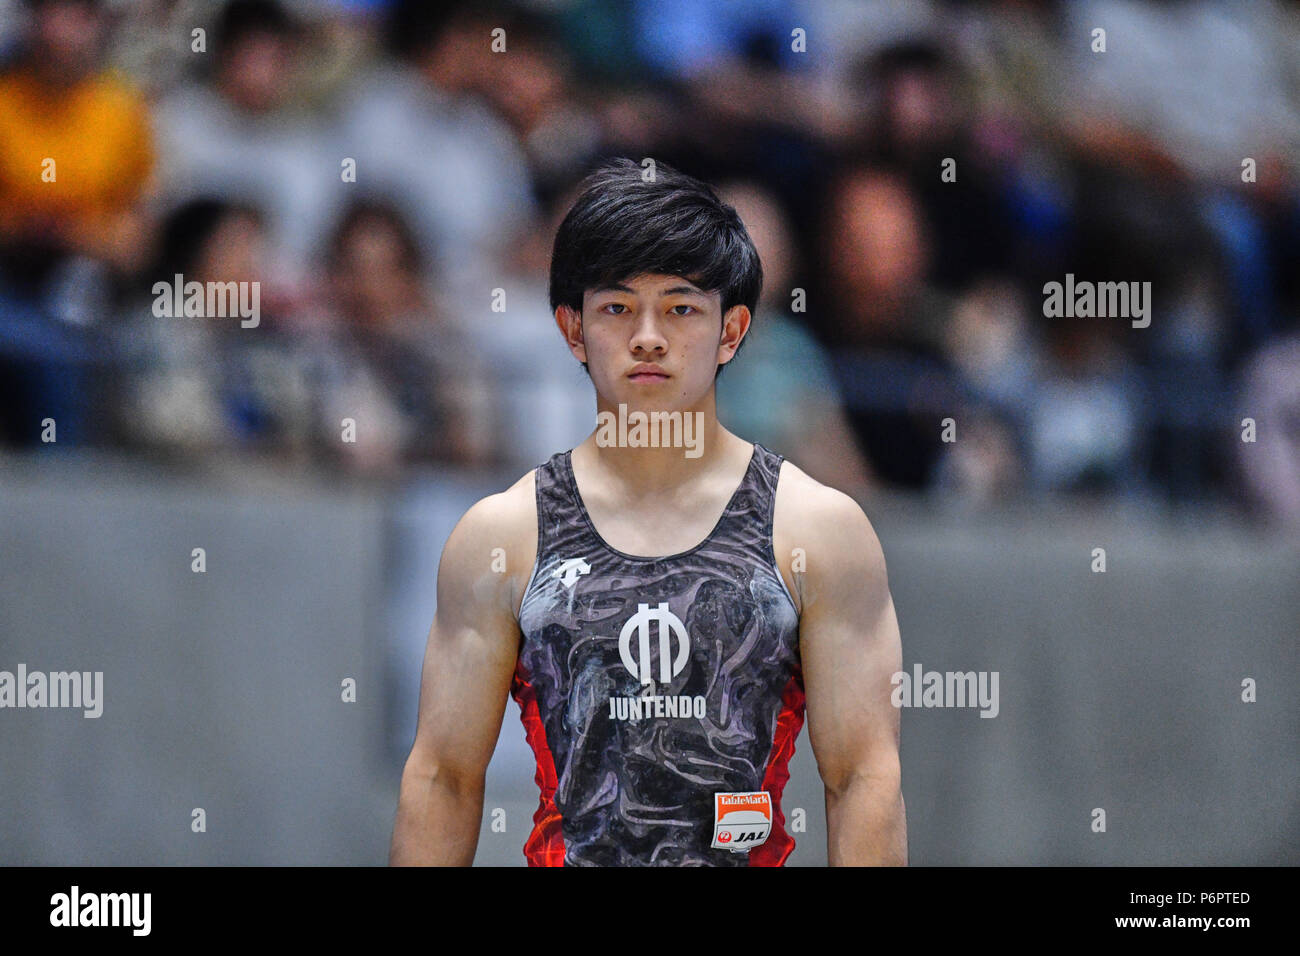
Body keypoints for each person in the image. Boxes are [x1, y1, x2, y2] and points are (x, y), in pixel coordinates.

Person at [389, 158, 906, 867]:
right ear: (573, 331)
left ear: (733, 331)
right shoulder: (503, 536)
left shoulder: (817, 531)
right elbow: (443, 778)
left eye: (682, 308)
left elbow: (862, 779)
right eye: (617, 308)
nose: (649, 337)